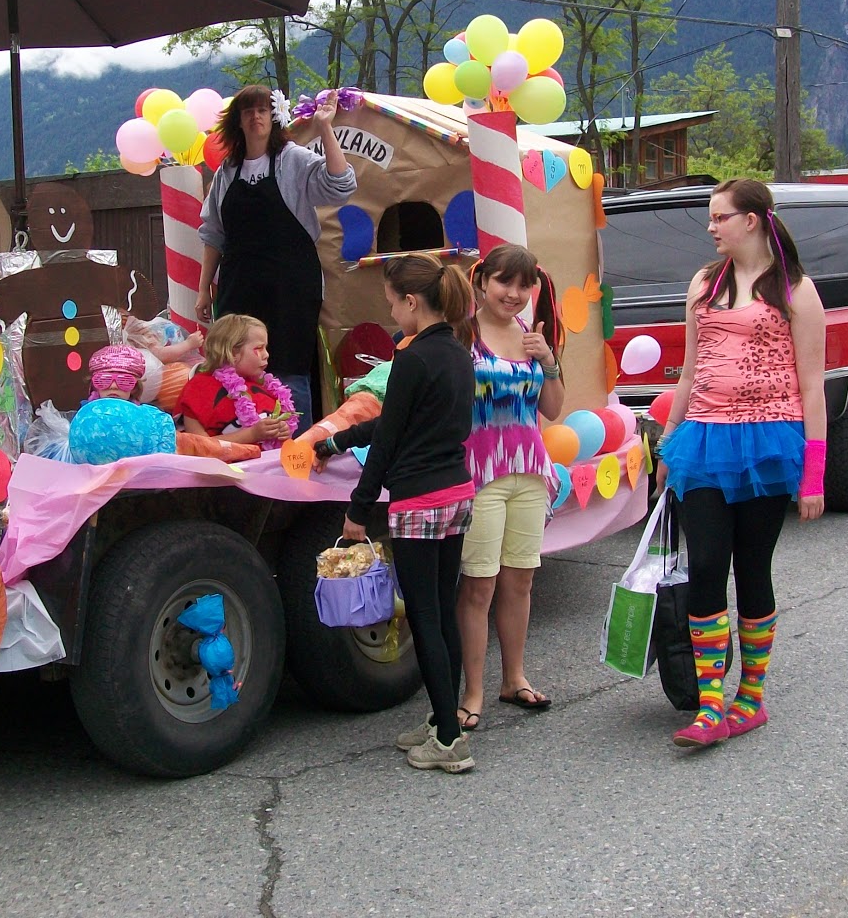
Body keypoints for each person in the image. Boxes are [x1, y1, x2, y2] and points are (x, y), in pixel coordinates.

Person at [653, 179, 827, 749]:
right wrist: (669, 440)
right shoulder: (704, 284)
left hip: (769, 444)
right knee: (705, 565)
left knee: (752, 569)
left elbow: (811, 385)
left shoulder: (797, 291)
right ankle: (709, 704)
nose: (711, 226)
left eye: (720, 216)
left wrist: (814, 474)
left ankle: (750, 698)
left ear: (752, 220)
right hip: (703, 441)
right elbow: (688, 369)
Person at [314, 253, 478, 773]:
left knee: (424, 616)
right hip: (456, 494)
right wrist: (337, 440)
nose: (391, 315)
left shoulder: (411, 358)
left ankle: (449, 740)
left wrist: (358, 509)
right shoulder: (456, 352)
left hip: (418, 502)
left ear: (412, 301)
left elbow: (387, 443)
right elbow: (397, 426)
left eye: (391, 304)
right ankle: (443, 718)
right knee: (444, 610)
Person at [196, 85, 356, 426]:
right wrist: (202, 289)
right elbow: (213, 234)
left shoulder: (293, 159)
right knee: (234, 360)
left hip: (290, 288)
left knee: (288, 365)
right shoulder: (227, 171)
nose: (255, 117)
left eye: (263, 110)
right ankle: (243, 437)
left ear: (275, 116)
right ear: (237, 121)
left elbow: (341, 185)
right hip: (238, 285)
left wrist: (325, 127)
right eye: (247, 111)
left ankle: (298, 449)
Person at [456, 244, 565, 730]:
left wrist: (549, 361)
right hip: (480, 473)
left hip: (527, 470)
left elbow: (554, 409)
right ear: (482, 282)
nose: (515, 294)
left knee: (520, 581)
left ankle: (513, 678)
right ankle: (473, 691)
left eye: (524, 286)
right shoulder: (463, 333)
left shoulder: (530, 335)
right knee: (479, 585)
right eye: (505, 283)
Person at [175, 314, 299, 448]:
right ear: (233, 352)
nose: (266, 355)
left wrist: (282, 431)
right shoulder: (198, 389)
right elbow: (198, 446)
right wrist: (252, 434)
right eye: (259, 348)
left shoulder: (267, 387)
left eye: (266, 348)